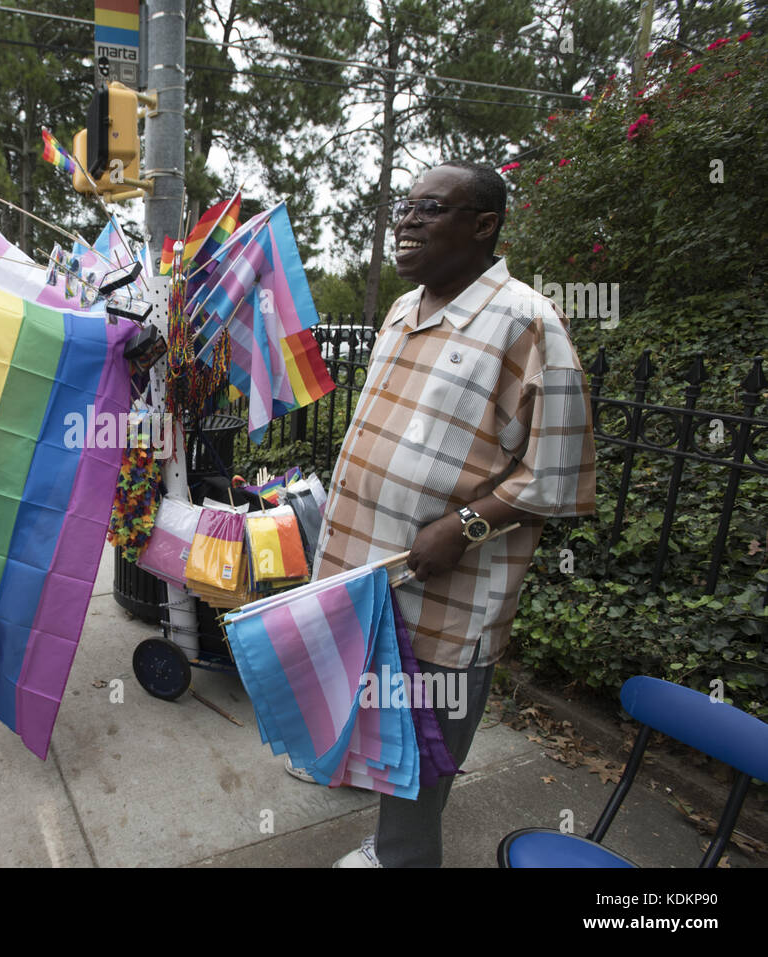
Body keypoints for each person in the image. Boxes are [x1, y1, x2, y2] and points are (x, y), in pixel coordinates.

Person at [312, 161, 596, 867]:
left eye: (430, 208)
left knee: (425, 750)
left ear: (483, 225)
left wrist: (464, 526)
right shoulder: (402, 311)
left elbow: (555, 473)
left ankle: (406, 858)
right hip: (364, 580)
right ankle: (389, 847)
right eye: (404, 206)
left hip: (448, 597)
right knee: (381, 730)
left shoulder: (529, 322)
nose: (405, 221)